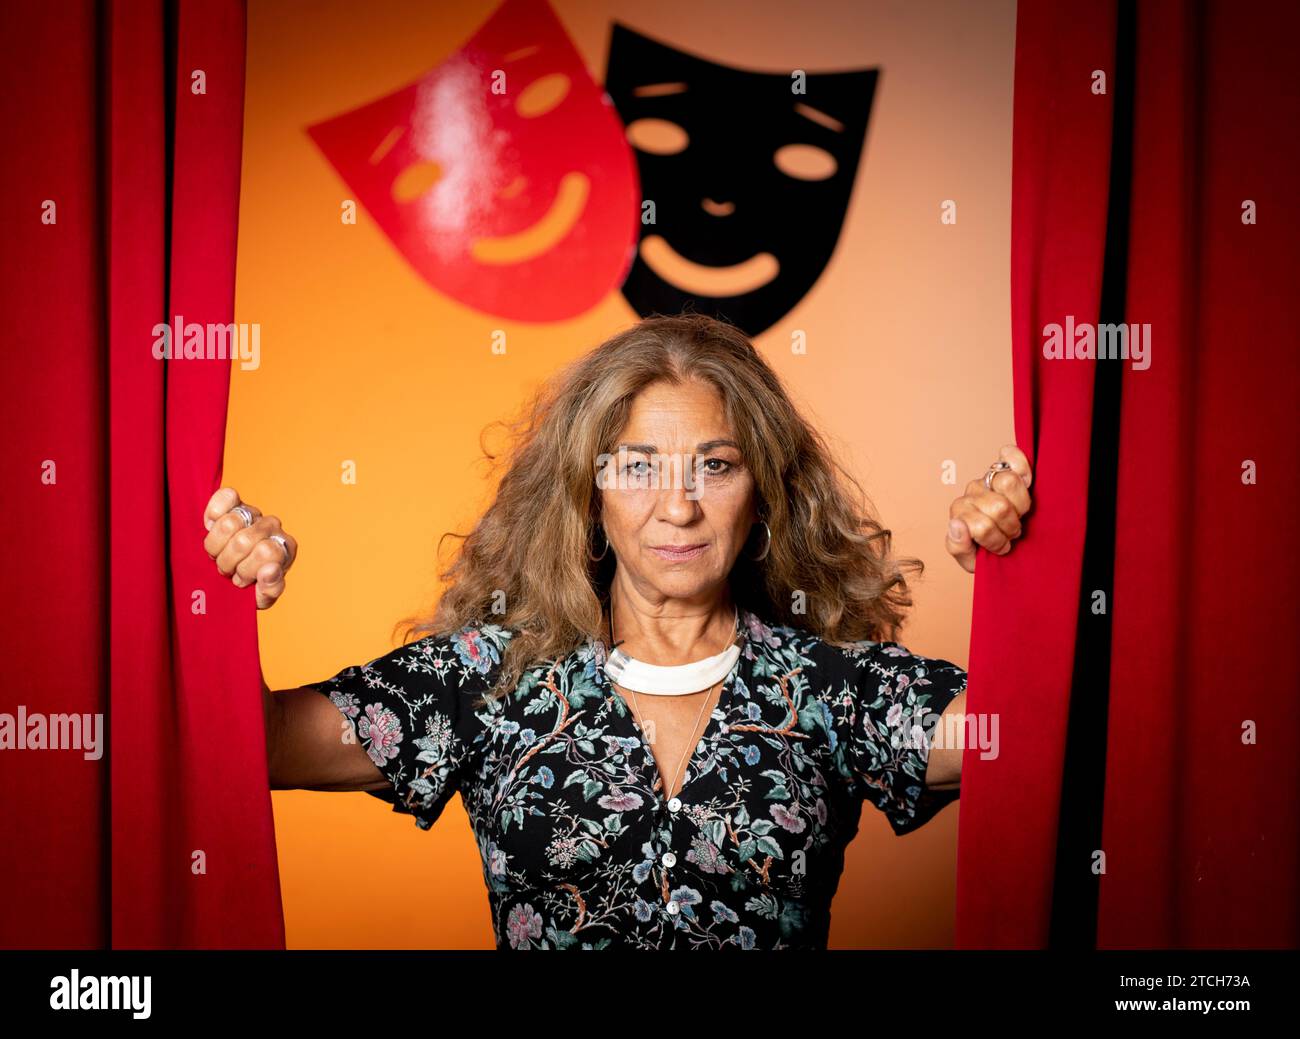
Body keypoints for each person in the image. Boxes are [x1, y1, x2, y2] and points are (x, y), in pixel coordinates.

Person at [203, 313, 1032, 949]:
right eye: (637, 466)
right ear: (587, 492)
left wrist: (1029, 563)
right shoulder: (490, 678)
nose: (678, 507)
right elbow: (250, 747)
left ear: (764, 490)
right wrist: (219, 589)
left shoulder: (832, 687)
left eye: (716, 464)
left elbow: (1034, 737)